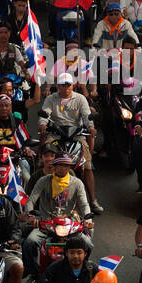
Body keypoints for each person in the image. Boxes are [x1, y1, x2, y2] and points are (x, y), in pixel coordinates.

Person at [38, 72, 101, 212]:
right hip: (55, 135)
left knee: (88, 164)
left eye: (68, 85)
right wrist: (43, 124)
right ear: (57, 86)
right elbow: (45, 113)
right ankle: (38, 195)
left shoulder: (80, 99)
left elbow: (86, 115)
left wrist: (90, 127)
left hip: (76, 135)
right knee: (46, 159)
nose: (66, 88)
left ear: (73, 86)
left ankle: (93, 200)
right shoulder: (50, 99)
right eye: (62, 85)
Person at [23, 153, 95, 273]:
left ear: (70, 168)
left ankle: (83, 270)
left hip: (69, 225)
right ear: (54, 166)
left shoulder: (77, 183)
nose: (63, 168)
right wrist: (31, 216)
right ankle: (34, 273)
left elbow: (84, 205)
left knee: (88, 243)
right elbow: (30, 201)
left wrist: (88, 221)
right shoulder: (43, 180)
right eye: (60, 165)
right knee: (30, 243)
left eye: (66, 166)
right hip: (46, 223)